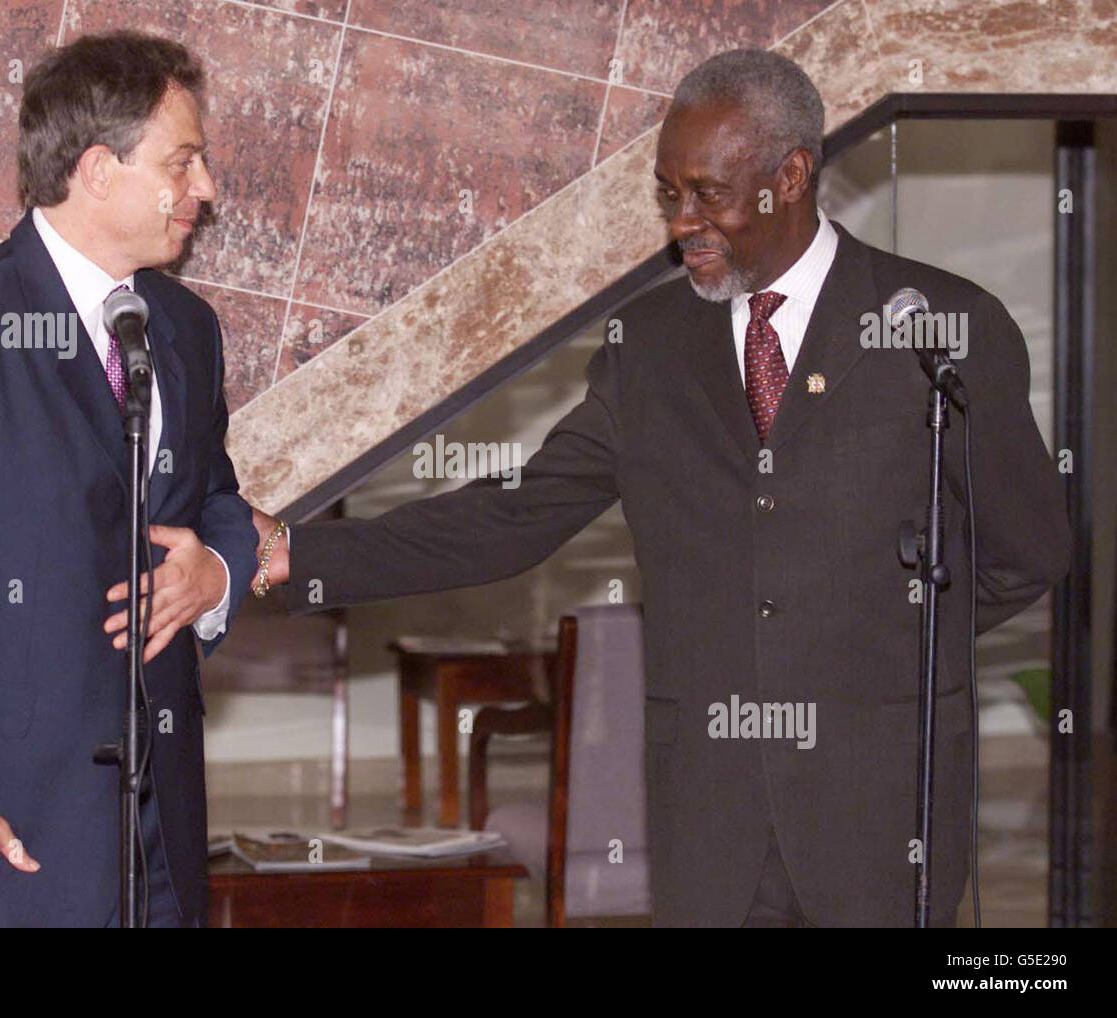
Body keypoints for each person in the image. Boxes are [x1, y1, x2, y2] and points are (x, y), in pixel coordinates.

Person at [250, 48, 1070, 927]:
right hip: (709, 823)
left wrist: (883, 644)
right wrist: (301, 554)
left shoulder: (935, 327)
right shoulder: (648, 345)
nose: (683, 221)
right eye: (667, 192)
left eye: (707, 193)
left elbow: (1025, 551)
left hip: (881, 810)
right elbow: (518, 513)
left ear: (789, 176)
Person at [0, 31, 258, 928]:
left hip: (156, 842)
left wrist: (217, 570)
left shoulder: (185, 327)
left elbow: (215, 494)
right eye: (183, 162)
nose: (206, 189)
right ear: (99, 169)